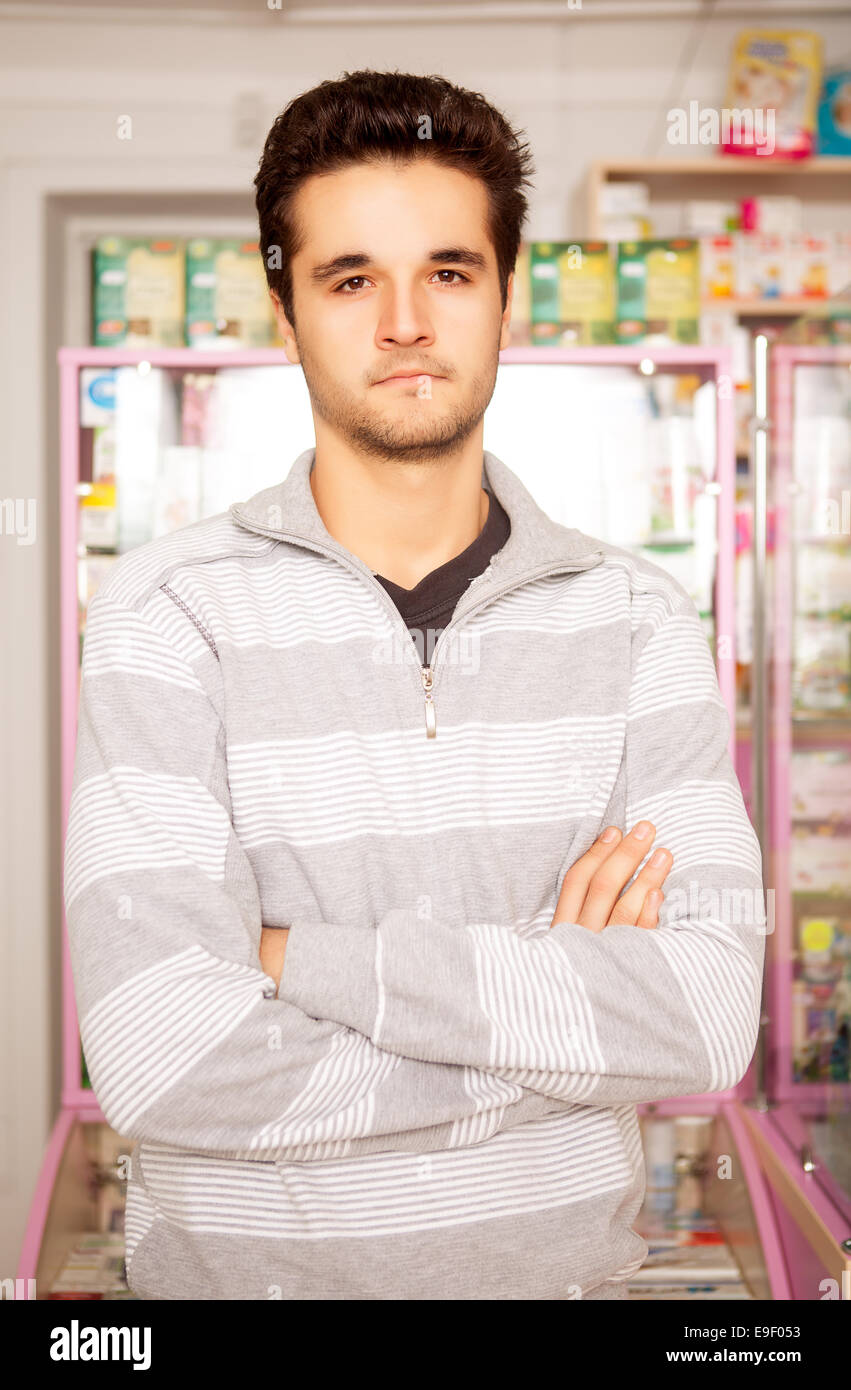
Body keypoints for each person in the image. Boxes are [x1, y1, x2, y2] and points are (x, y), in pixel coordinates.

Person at [63, 69, 765, 1301]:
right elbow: (165, 1057)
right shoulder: (163, 613)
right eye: (349, 279)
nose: (402, 322)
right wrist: (560, 1007)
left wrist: (287, 955)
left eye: (447, 270)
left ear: (505, 301)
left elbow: (702, 1020)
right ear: (284, 312)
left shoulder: (638, 618)